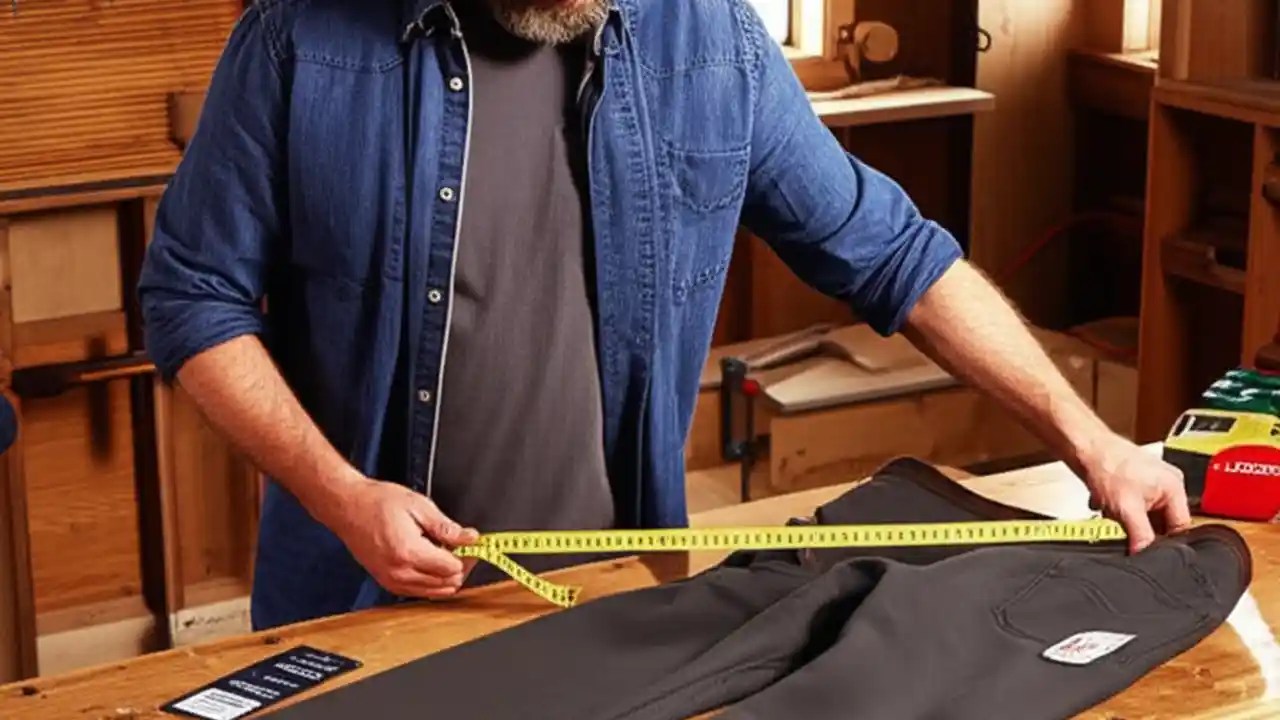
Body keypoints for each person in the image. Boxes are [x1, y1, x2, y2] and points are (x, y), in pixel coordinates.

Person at [137, 0, 1190, 631]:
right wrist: (341, 498)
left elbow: (895, 257)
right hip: (360, 601)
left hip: (618, 602)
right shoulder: (300, 38)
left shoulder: (710, 40)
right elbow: (190, 296)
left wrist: (1092, 443)